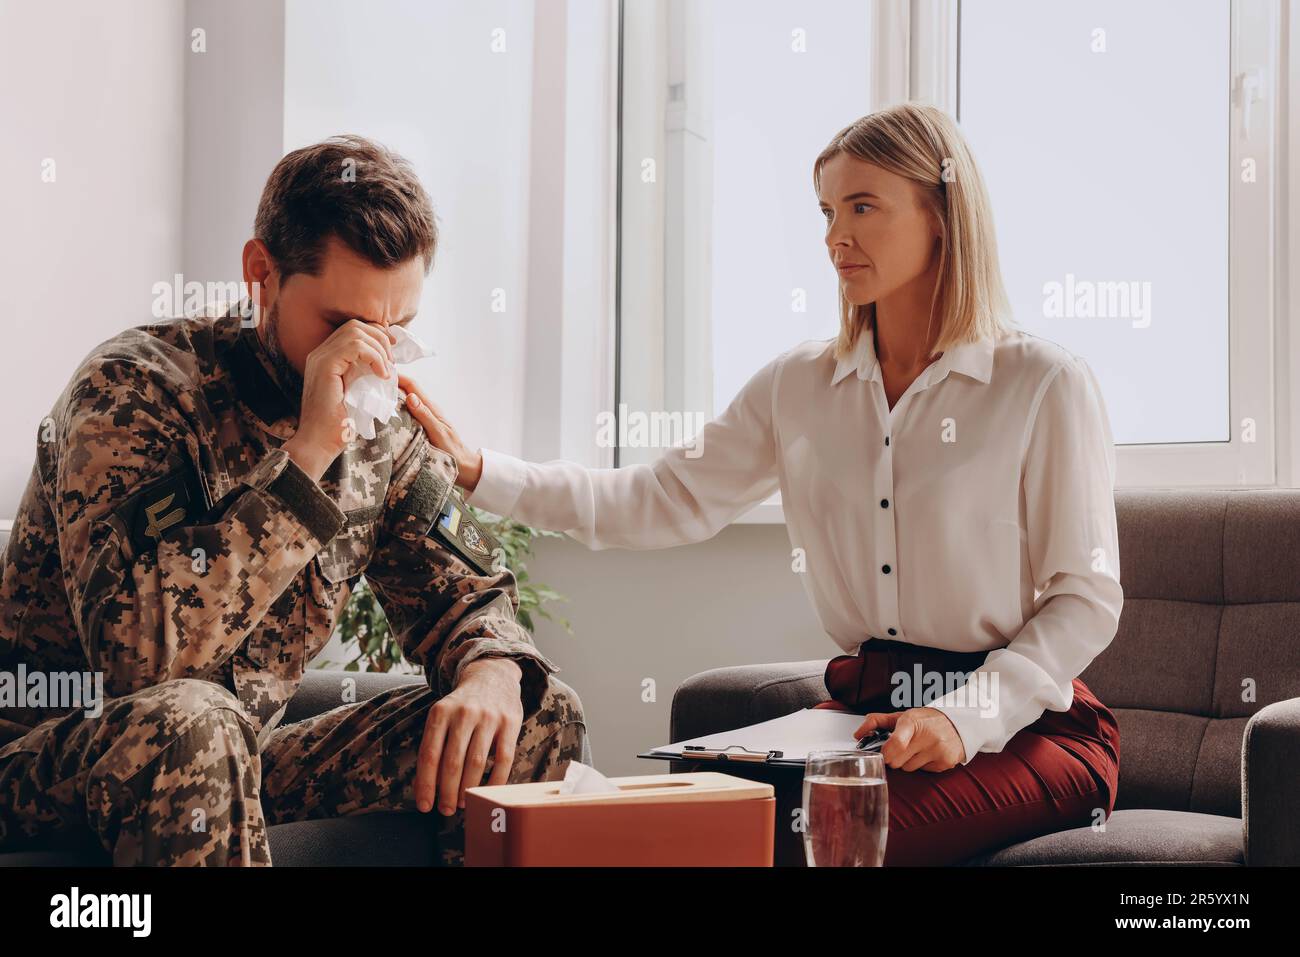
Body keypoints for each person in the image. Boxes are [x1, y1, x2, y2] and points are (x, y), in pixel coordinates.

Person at [399, 103, 1124, 866]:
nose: (834, 236)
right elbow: (658, 498)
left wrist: (962, 717)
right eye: (826, 210)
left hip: (1033, 731)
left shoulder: (1043, 384)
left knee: (816, 827)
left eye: (863, 206)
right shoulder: (799, 385)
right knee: (687, 808)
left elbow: (1086, 597)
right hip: (866, 715)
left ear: (940, 213)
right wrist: (481, 471)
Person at [0, 135, 587, 866]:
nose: (370, 355)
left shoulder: (377, 426)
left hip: (237, 753)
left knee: (535, 711)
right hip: (61, 759)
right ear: (262, 274)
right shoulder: (133, 393)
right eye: (343, 324)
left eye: (395, 329)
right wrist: (305, 460)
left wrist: (494, 669)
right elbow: (140, 665)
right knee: (193, 721)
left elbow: (469, 599)